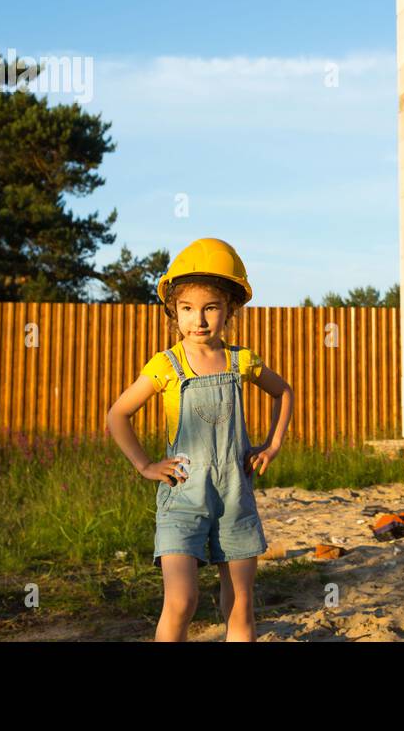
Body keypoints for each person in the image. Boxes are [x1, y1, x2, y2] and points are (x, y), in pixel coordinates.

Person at [106, 237, 293, 641]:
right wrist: (144, 465)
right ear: (174, 311)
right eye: (187, 309)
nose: (199, 319)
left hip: (234, 497)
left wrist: (271, 444)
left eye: (211, 307)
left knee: (240, 603)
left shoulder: (242, 361)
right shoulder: (166, 365)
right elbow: (118, 414)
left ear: (230, 308)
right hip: (183, 499)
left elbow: (284, 391)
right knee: (182, 601)